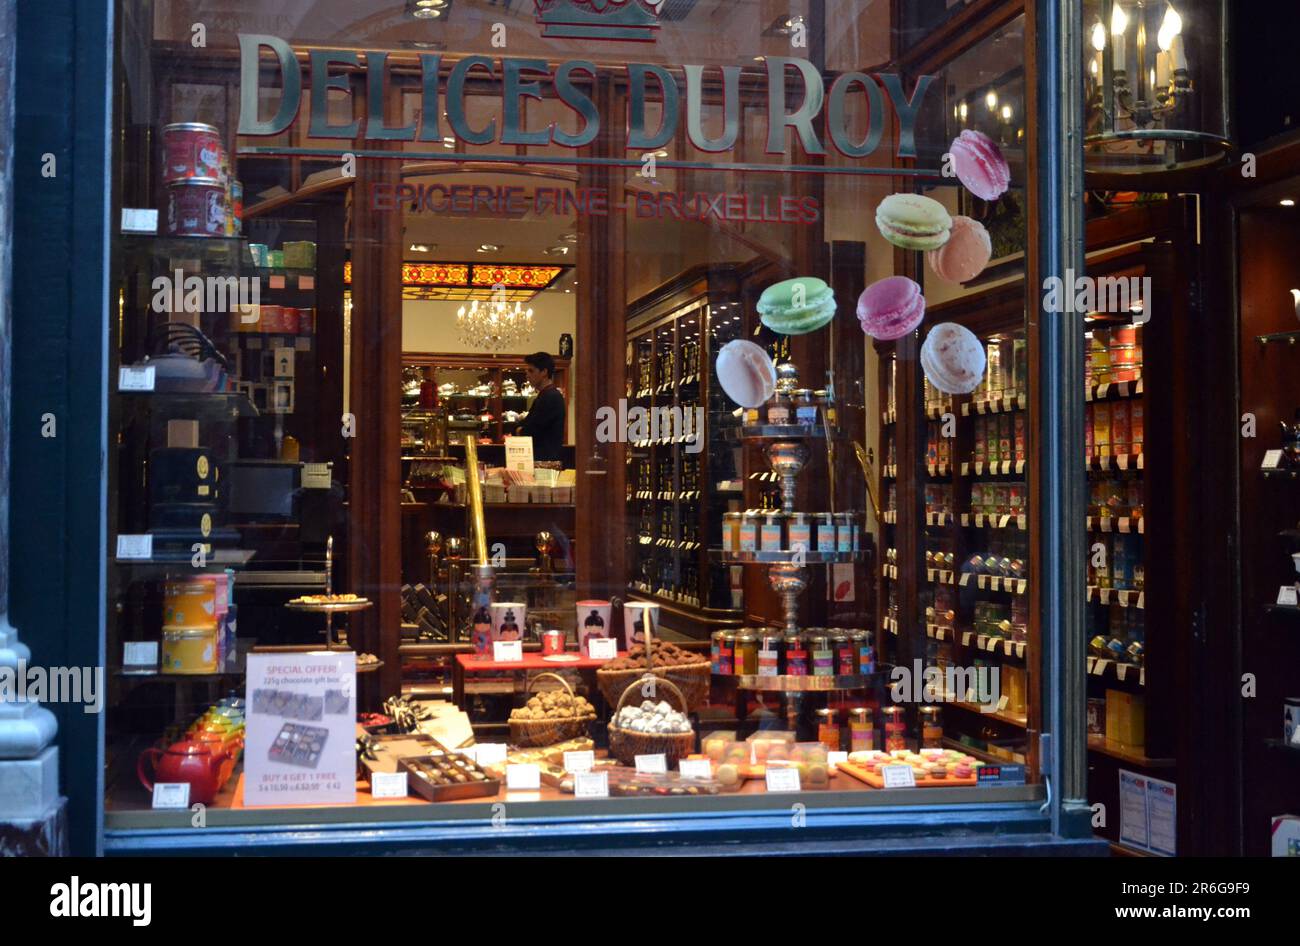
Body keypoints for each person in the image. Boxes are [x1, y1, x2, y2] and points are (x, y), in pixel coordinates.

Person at [518, 351, 565, 463]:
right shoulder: (544, 395)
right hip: (540, 459)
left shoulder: (551, 397)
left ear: (544, 372)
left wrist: (520, 430)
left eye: (531, 370)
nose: (527, 375)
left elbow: (530, 431)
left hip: (545, 462)